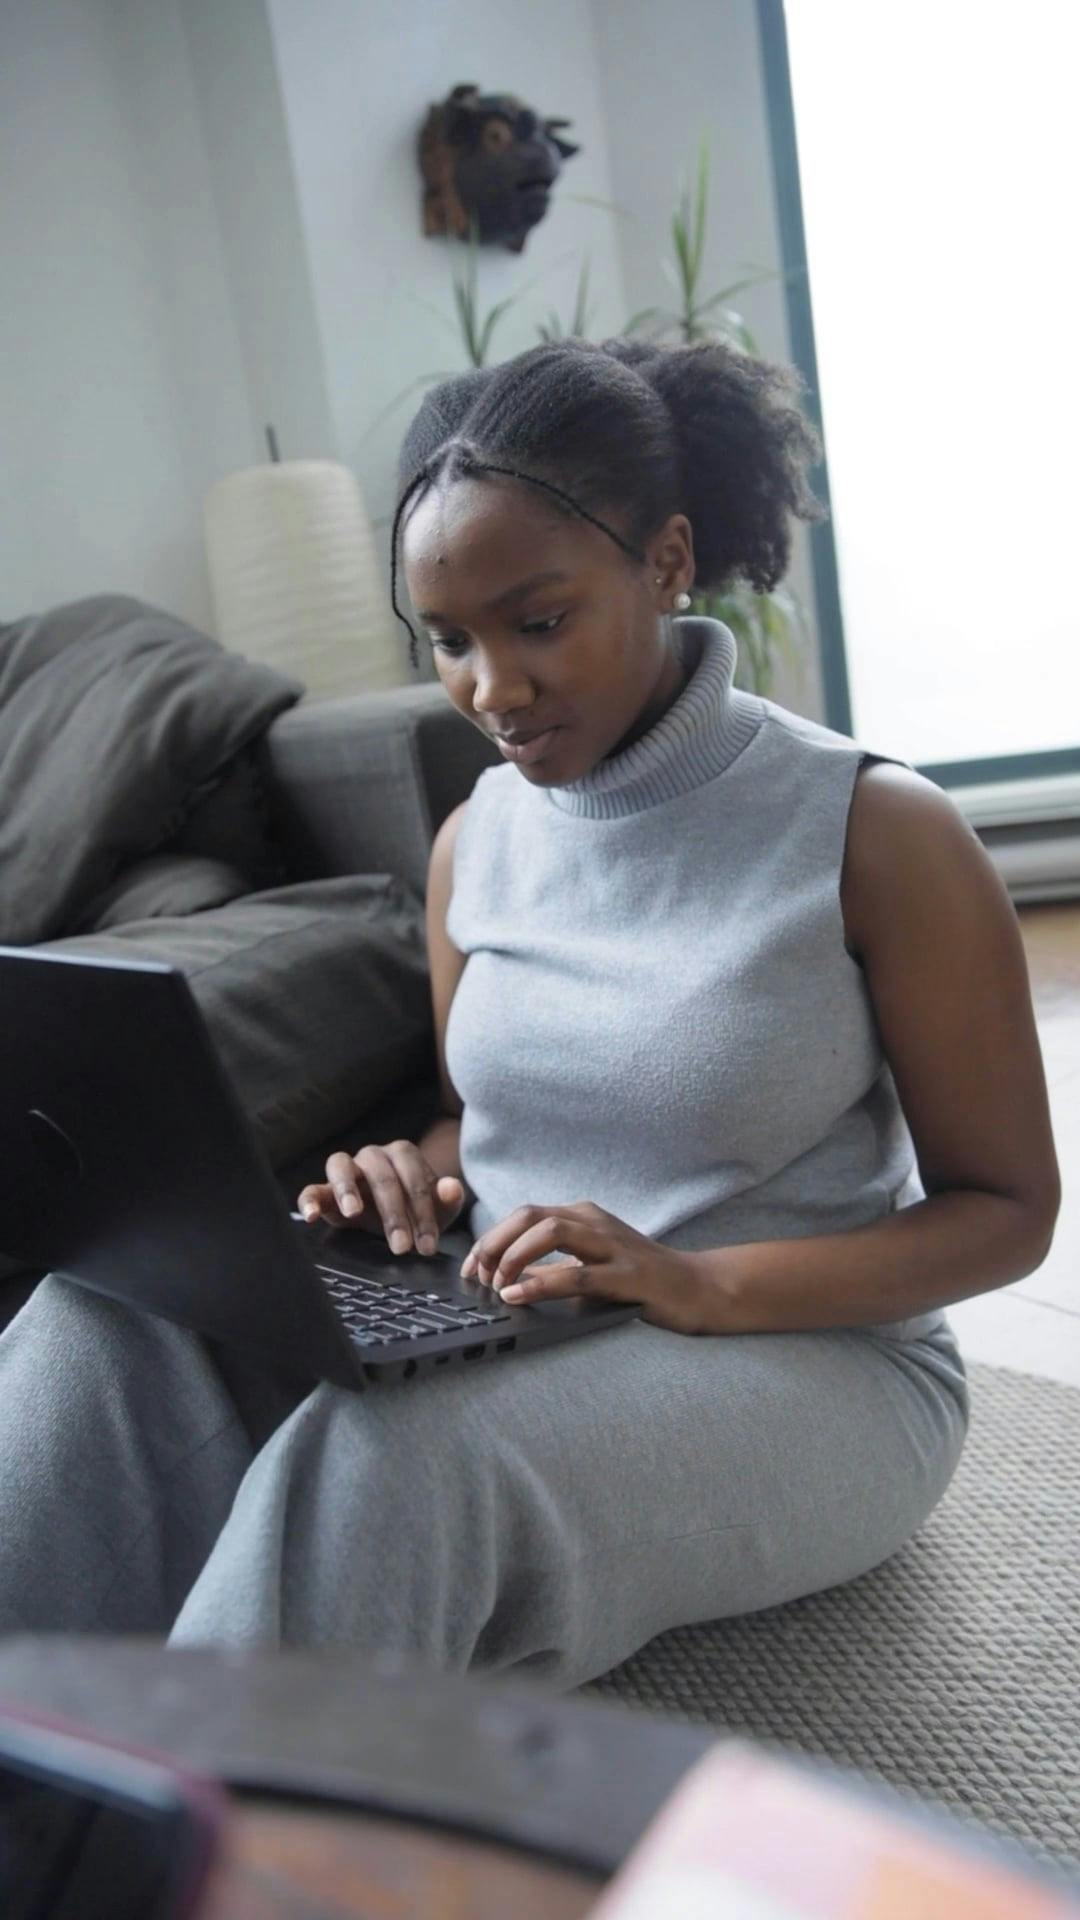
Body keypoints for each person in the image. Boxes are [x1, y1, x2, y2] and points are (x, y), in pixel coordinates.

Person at [0, 338, 1060, 1681]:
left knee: (389, 1462)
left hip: (817, 1359)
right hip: (518, 1311)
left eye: (538, 621)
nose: (492, 689)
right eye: (449, 640)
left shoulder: (874, 828)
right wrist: (416, 1174)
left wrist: (701, 1279)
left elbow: (1008, 1211)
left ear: (666, 562)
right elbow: (479, 1118)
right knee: (106, 1318)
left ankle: (190, 1862)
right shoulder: (473, 841)